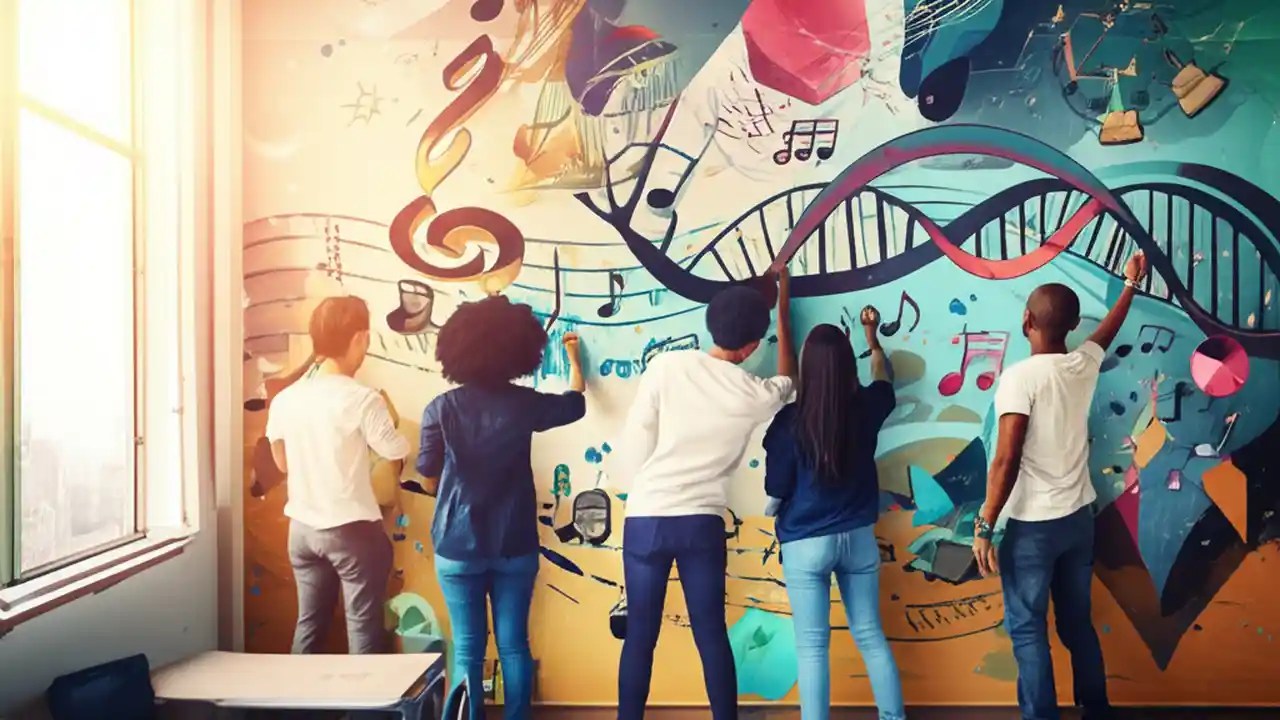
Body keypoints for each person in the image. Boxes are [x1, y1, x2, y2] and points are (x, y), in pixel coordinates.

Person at [615, 269, 797, 720]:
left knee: (640, 634)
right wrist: (785, 310)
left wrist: (637, 489)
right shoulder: (754, 393)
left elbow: (638, 438)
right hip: (701, 522)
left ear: (709, 326)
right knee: (711, 633)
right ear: (753, 347)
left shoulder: (665, 366)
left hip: (647, 517)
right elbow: (788, 381)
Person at [974, 252, 1148, 720]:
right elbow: (1106, 334)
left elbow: (1007, 459)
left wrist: (984, 524)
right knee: (1077, 624)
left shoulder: (1019, 379)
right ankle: (1096, 710)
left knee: (1029, 632)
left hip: (1032, 527)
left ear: (1026, 319)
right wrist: (1129, 286)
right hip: (1077, 520)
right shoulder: (1080, 366)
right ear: (1071, 326)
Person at [415, 295, 587, 720]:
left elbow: (427, 474)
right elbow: (575, 402)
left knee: (469, 650)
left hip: (456, 544)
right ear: (519, 349)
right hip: (515, 542)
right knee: (514, 645)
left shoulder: (440, 409)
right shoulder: (524, 403)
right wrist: (573, 356)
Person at [763, 311, 906, 720]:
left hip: (805, 543)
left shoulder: (789, 422)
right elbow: (883, 375)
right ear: (848, 364)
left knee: (811, 647)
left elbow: (776, 488)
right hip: (858, 538)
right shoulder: (868, 407)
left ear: (807, 368)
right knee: (871, 635)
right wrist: (872, 337)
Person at [266, 296, 410, 654]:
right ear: (360, 338)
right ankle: (366, 711)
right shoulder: (362, 399)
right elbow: (397, 449)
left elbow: (281, 463)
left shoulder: (287, 398)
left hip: (301, 530)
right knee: (362, 629)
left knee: (309, 626)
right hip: (351, 530)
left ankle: (298, 709)